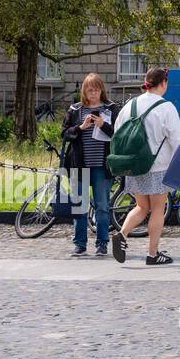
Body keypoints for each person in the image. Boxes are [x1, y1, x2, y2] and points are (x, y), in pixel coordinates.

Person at [111, 66, 180, 267]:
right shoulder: (166, 107)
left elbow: (117, 132)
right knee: (158, 209)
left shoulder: (130, 105)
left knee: (142, 206)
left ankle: (123, 233)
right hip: (158, 165)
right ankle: (152, 254)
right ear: (163, 83)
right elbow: (177, 140)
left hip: (134, 165)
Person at [62, 73, 117, 257]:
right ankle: (80, 243)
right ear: (84, 91)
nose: (93, 93)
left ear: (102, 90)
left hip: (102, 166)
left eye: (96, 89)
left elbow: (119, 135)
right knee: (79, 205)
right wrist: (80, 127)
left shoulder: (111, 108)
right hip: (79, 165)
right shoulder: (75, 109)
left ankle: (102, 243)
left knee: (102, 205)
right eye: (89, 90)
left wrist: (104, 125)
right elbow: (64, 134)